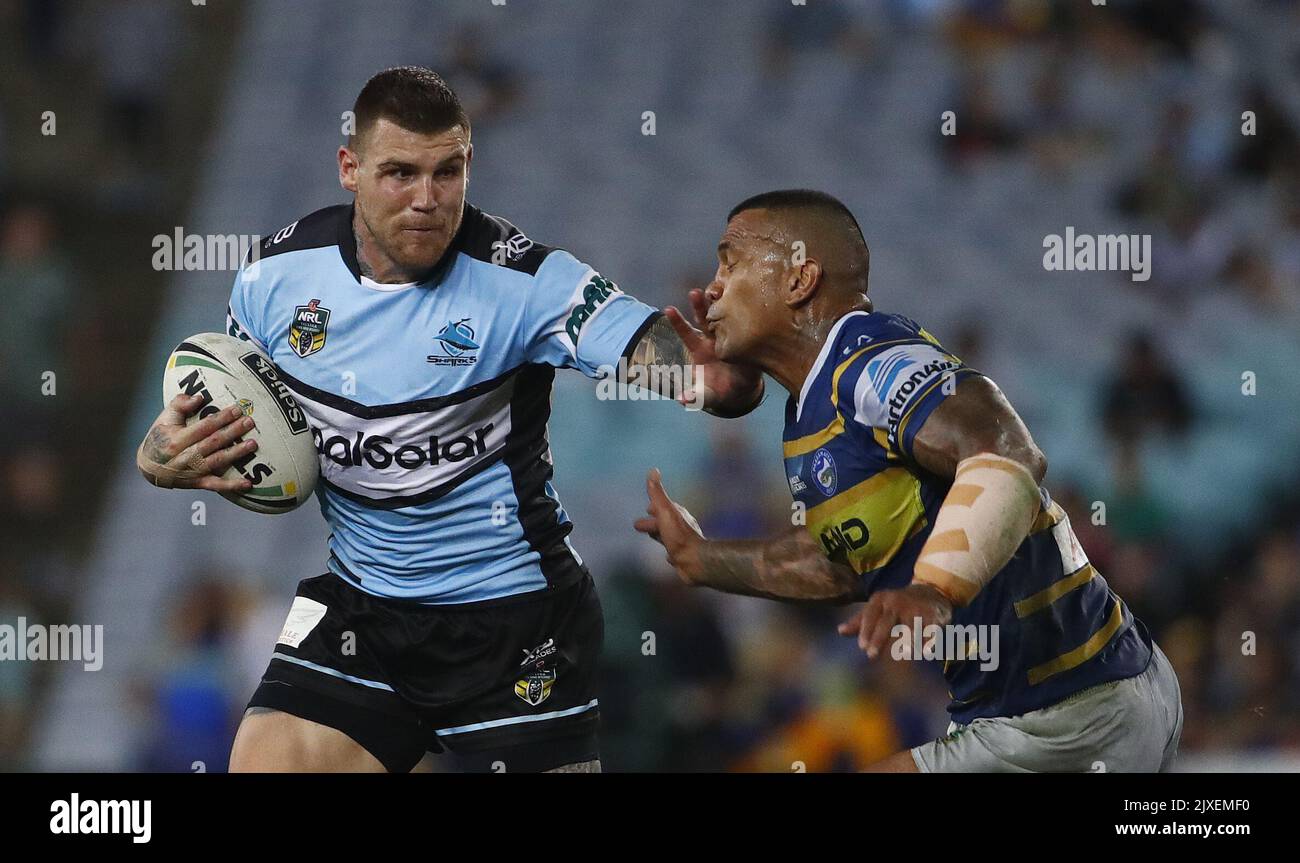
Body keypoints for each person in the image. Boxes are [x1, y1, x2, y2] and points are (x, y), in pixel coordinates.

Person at [135, 67, 762, 773]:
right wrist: (160, 456)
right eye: (400, 172)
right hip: (364, 610)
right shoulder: (274, 279)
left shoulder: (526, 281)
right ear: (350, 169)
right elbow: (223, 421)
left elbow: (703, 375)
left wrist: (725, 370)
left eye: (448, 171)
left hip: (518, 619)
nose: (427, 199)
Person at [635, 189, 1183, 772]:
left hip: (1070, 714)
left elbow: (1005, 451)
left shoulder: (867, 362)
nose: (710, 287)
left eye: (731, 260)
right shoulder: (810, 407)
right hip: (1070, 702)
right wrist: (700, 557)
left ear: (800, 279)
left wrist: (935, 590)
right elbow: (845, 564)